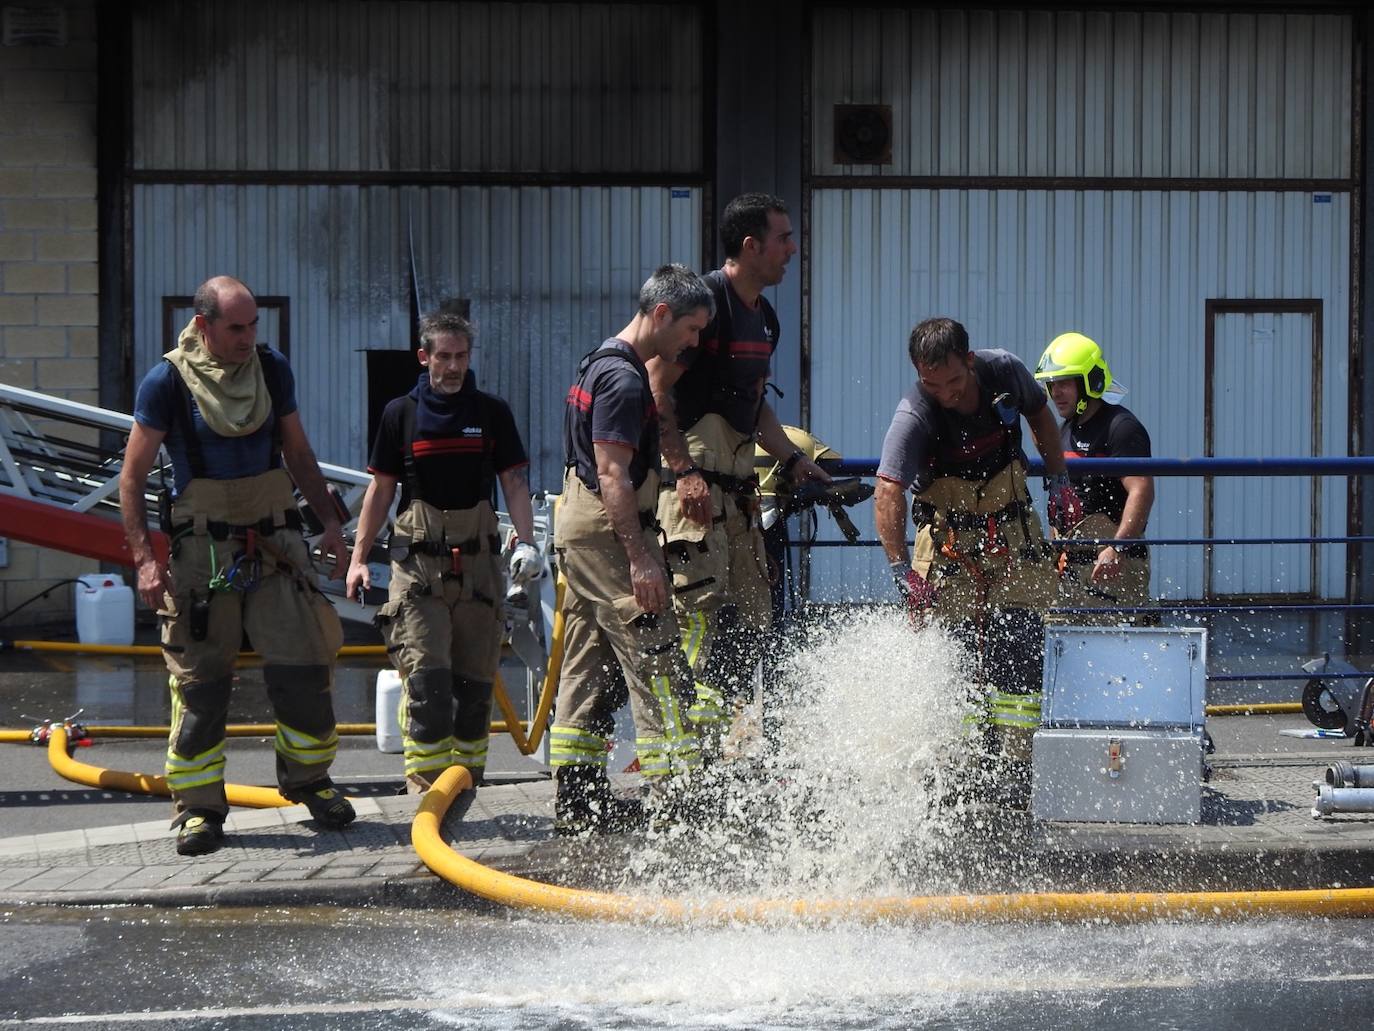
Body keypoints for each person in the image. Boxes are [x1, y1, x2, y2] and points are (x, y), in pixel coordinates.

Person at [118, 276, 354, 857]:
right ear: (204, 325)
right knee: (201, 683)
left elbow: (298, 454)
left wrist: (330, 524)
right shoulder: (166, 383)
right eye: (236, 327)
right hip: (202, 553)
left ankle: (310, 783)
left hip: (275, 545)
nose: (249, 337)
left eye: (253, 325)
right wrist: (146, 562)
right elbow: (130, 479)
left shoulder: (271, 371)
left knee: (304, 667)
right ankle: (200, 809)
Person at [646, 194, 830, 756]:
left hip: (739, 494)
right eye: (783, 239)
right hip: (696, 494)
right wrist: (684, 474)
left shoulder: (765, 317)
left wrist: (796, 461)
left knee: (751, 621)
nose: (792, 250)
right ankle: (690, 761)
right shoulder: (706, 305)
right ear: (750, 246)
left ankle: (722, 754)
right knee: (699, 620)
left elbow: (754, 407)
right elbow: (654, 386)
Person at [873, 317, 1082, 776]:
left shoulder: (1004, 371)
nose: (944, 393)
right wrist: (900, 570)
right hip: (948, 544)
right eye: (931, 383)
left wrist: (1059, 479)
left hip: (1014, 535)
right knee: (959, 655)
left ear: (969, 361)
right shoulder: (915, 413)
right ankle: (966, 770)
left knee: (1019, 642)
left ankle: (1017, 765)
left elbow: (1040, 415)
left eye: (952, 381)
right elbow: (887, 489)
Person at [345, 312, 541, 793]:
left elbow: (513, 483)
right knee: (428, 679)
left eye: (461, 356)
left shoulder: (491, 413)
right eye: (444, 356)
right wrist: (357, 558)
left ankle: (468, 782)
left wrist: (528, 542)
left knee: (475, 684)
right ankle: (424, 786)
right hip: (419, 568)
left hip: (478, 568)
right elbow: (380, 490)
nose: (453, 366)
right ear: (424, 356)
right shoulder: (401, 414)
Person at [550, 263, 713, 835]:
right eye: (690, 329)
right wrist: (642, 557)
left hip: (581, 525)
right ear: (661, 314)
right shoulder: (622, 380)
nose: (693, 342)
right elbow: (613, 473)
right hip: (607, 528)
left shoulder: (600, 360)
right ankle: (680, 802)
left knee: (590, 656)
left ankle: (577, 797)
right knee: (656, 651)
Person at [1034, 332, 1155, 624]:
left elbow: (1142, 490)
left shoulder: (1121, 427)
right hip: (1071, 569)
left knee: (1115, 650)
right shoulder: (1064, 432)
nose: (1056, 392)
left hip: (1111, 566)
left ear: (1090, 382)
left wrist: (1117, 548)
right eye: (1051, 385)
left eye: (1064, 383)